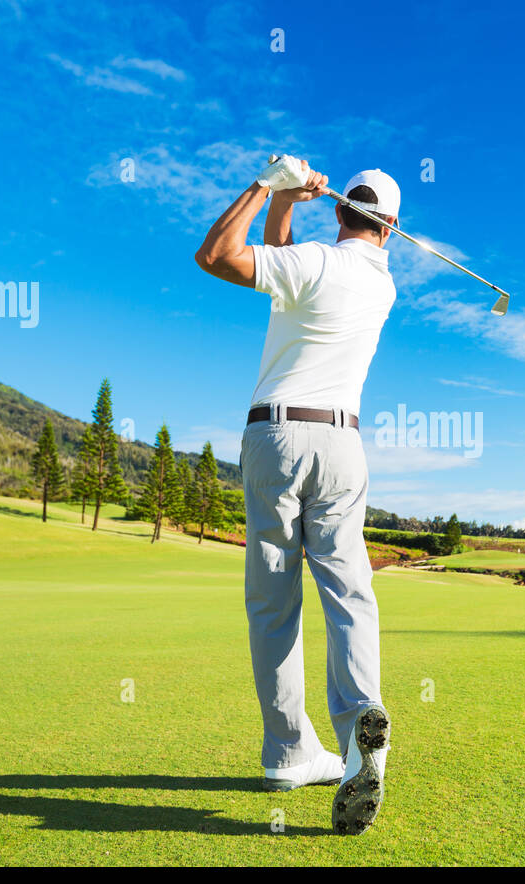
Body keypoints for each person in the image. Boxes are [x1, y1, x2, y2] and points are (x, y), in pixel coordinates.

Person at [194, 154, 396, 835]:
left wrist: (267, 185)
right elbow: (286, 267)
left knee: (274, 604)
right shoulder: (378, 284)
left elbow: (217, 256)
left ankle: (285, 747)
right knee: (349, 591)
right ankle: (357, 726)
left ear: (339, 209)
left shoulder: (312, 262)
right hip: (342, 445)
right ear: (390, 229)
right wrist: (289, 204)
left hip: (275, 437)